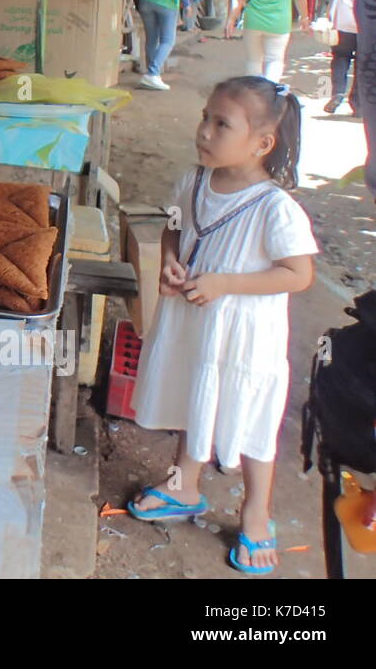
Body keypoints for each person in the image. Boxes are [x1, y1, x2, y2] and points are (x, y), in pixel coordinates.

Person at [128, 77, 316, 575]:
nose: (204, 132)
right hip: (195, 322)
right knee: (196, 393)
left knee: (250, 420)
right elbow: (173, 224)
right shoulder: (192, 180)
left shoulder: (276, 209)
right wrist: (170, 261)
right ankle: (183, 484)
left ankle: (256, 514)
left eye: (221, 124)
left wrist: (226, 283)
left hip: (243, 339)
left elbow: (298, 274)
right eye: (204, 118)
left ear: (262, 143)